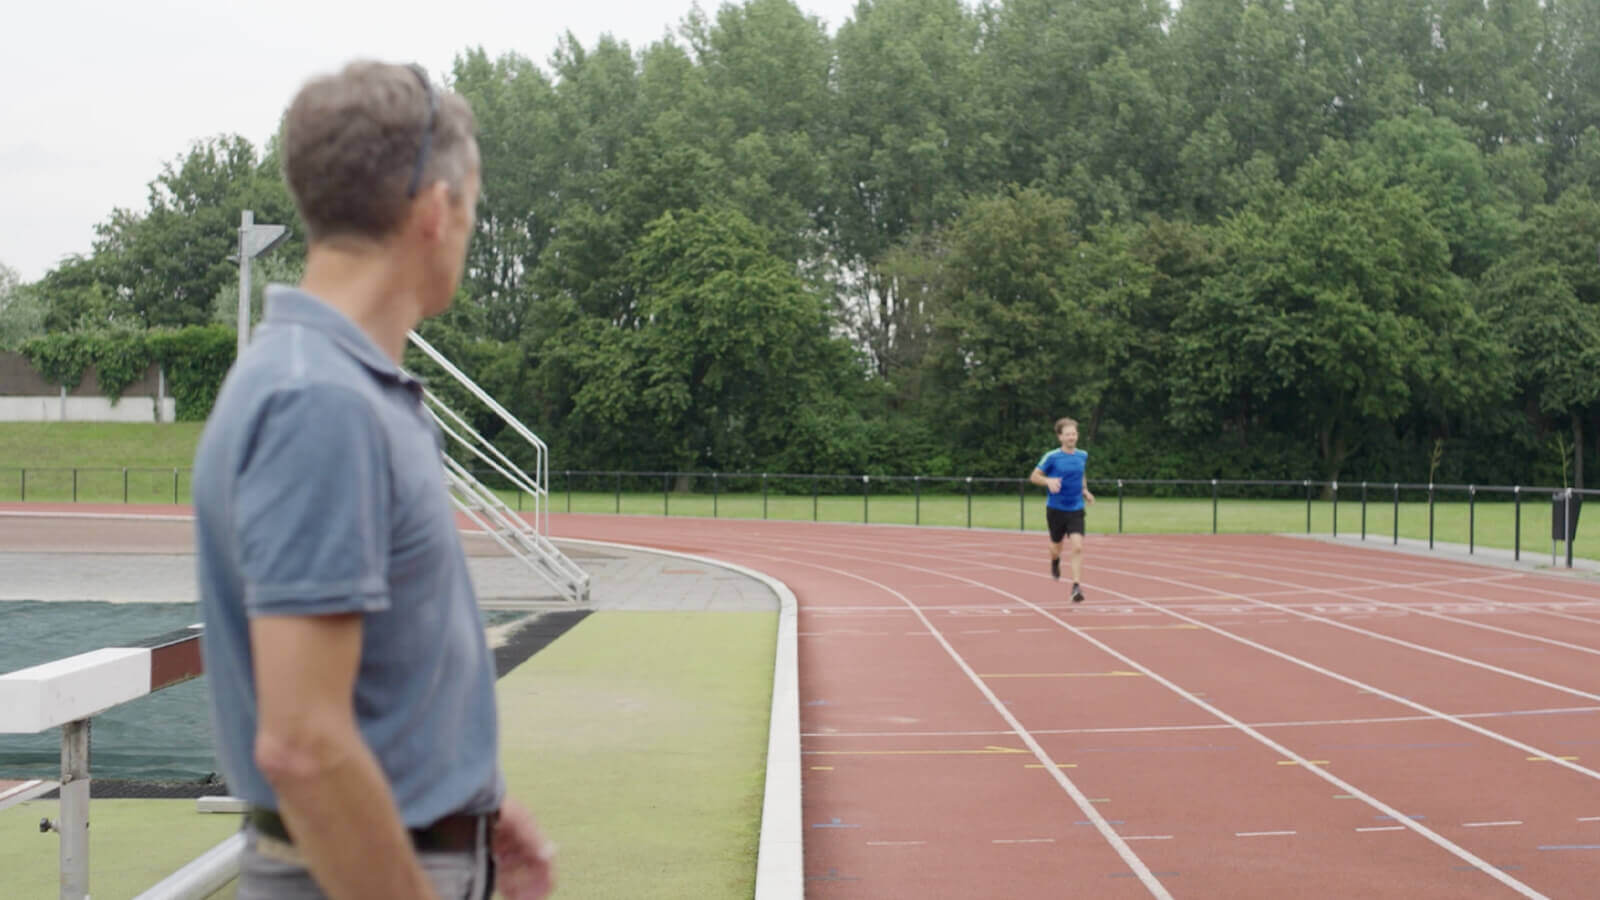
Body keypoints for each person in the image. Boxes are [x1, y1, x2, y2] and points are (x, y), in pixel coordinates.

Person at [192, 61, 554, 899]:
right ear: (436, 208)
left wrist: (472, 804)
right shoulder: (320, 401)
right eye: (473, 205)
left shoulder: (334, 381)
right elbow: (305, 745)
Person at [1029, 417, 1095, 602]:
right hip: (1056, 509)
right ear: (1060, 437)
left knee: (1078, 546)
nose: (1071, 437)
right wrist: (1048, 481)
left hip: (1076, 508)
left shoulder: (1082, 455)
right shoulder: (1052, 457)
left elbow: (1081, 474)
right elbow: (1034, 476)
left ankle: (1076, 586)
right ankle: (1055, 561)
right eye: (1068, 434)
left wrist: (1084, 490)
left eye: (1074, 433)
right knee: (1055, 547)